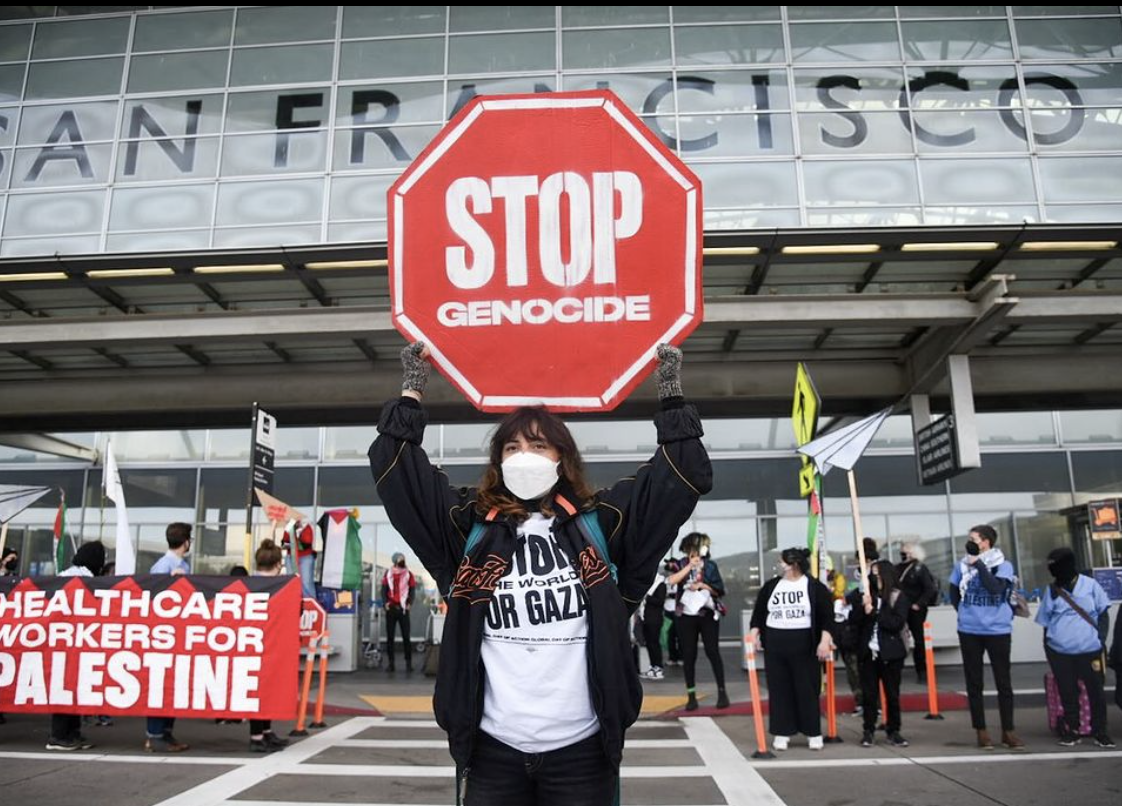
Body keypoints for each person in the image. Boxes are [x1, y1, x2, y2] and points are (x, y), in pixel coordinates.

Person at [368, 342, 711, 805]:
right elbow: (396, 471)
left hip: (583, 751)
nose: (523, 455)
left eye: (537, 445)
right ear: (498, 462)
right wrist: (412, 390)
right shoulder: (468, 527)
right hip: (492, 751)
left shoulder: (602, 523)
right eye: (512, 447)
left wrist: (670, 395)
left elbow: (681, 476)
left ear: (561, 458)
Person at [750, 547, 835, 751]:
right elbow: (759, 613)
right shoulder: (772, 586)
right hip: (776, 643)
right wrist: (754, 635)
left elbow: (827, 617)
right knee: (779, 688)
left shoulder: (814, 587)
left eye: (783, 562)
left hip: (804, 643)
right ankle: (782, 731)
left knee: (807, 688)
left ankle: (812, 732)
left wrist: (824, 641)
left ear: (794, 564)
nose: (780, 565)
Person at [949, 524, 1024, 750]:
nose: (969, 543)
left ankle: (1008, 730)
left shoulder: (1003, 565)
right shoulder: (961, 566)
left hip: (998, 630)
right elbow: (954, 592)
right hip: (969, 630)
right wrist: (965, 613)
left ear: (986, 542)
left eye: (974, 539)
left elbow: (995, 588)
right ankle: (981, 730)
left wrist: (979, 565)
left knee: (1003, 682)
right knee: (974, 682)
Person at [1035, 547, 1114, 748]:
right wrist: (1049, 649)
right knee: (1067, 692)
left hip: (1090, 649)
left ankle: (1100, 731)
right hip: (1060, 651)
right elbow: (1045, 622)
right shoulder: (1052, 591)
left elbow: (1103, 613)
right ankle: (1072, 730)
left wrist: (1100, 640)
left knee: (1096, 692)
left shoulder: (1090, 585)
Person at [46, 541, 105, 751]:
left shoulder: (66, 576)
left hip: (67, 641)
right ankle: (59, 735)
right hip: (70, 643)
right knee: (66, 687)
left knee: (71, 687)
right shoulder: (83, 580)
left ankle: (71, 733)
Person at [849, 560, 911, 748]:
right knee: (869, 695)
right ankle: (868, 730)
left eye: (878, 575)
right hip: (869, 653)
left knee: (892, 694)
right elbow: (854, 621)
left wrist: (875, 612)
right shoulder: (867, 595)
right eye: (872, 575)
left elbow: (896, 623)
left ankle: (894, 730)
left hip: (890, 653)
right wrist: (862, 607)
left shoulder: (897, 597)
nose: (875, 579)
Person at [666, 533, 728, 710]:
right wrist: (689, 567)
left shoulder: (710, 565)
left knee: (712, 651)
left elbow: (719, 590)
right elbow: (671, 581)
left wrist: (703, 586)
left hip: (707, 614)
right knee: (688, 654)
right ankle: (691, 696)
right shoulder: (680, 564)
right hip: (685, 615)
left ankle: (722, 692)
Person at [145, 522, 192, 752]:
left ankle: (166, 732)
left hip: (178, 632)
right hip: (163, 634)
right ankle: (154, 734)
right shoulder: (162, 566)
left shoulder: (183, 565)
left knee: (174, 685)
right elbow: (152, 596)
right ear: (186, 542)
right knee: (159, 684)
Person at [246, 539, 291, 752]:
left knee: (262, 689)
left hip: (253, 644)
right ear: (277, 564)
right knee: (264, 690)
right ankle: (258, 735)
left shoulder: (248, 584)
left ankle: (264, 731)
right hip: (270, 645)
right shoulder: (280, 586)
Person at [896, 541, 938, 682]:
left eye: (906, 551)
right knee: (897, 638)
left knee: (919, 640)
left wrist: (919, 604)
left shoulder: (919, 568)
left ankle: (922, 671)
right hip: (901, 608)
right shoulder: (897, 568)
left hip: (915, 609)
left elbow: (929, 588)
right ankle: (895, 669)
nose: (903, 553)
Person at [383, 552, 417, 672]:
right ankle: (391, 663)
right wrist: (385, 603)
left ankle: (409, 663)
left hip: (403, 609)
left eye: (403, 558)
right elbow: (384, 589)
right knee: (390, 637)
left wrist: (410, 603)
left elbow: (412, 590)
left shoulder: (408, 574)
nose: (402, 560)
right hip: (391, 609)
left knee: (406, 637)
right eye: (400, 559)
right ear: (395, 561)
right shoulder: (388, 574)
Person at [639, 570, 667, 680]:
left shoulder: (661, 584)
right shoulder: (648, 585)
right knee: (649, 643)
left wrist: (647, 596)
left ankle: (658, 667)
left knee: (654, 643)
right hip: (645, 618)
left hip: (654, 619)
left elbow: (660, 601)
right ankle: (652, 666)